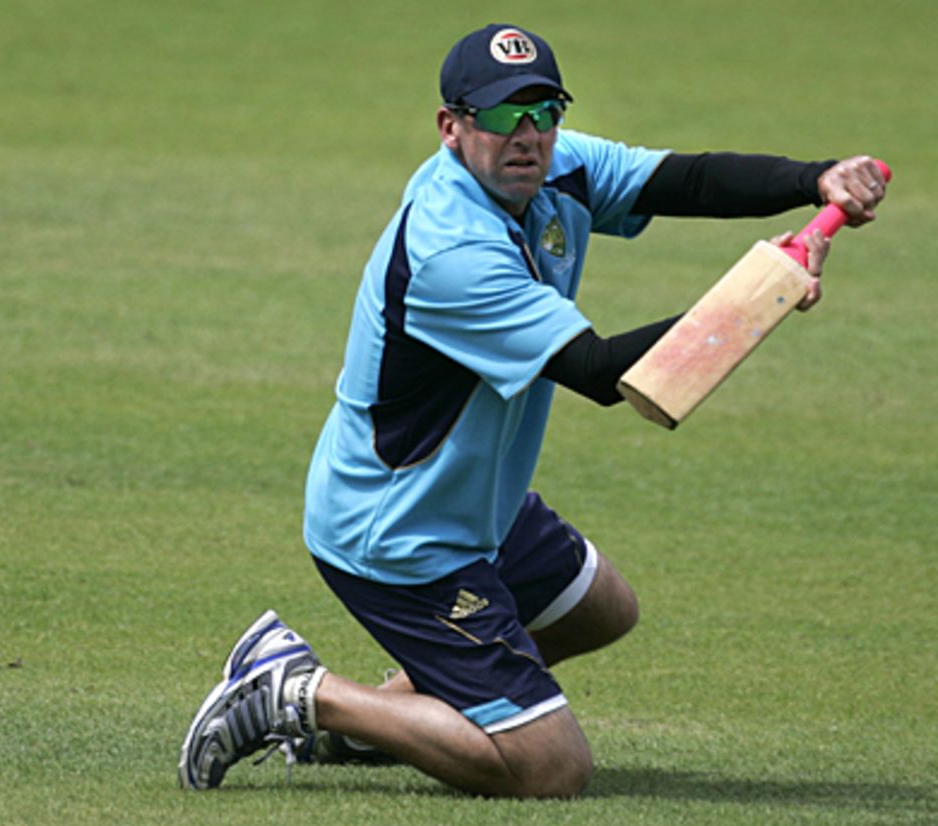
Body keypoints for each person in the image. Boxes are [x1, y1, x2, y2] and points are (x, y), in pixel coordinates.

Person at [178, 23, 888, 798]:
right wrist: (765, 292)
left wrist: (818, 179)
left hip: (475, 503)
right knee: (550, 769)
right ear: (452, 127)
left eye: (543, 110)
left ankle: (374, 723)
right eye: (503, 114)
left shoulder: (558, 164)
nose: (529, 135)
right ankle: (299, 692)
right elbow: (600, 370)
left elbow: (680, 180)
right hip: (402, 534)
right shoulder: (452, 251)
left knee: (598, 610)